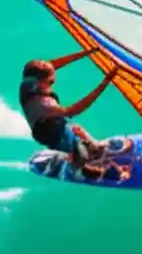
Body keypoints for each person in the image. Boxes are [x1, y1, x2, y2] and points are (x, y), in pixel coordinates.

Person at [19, 47, 116, 179]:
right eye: (52, 79)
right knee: (78, 147)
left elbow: (52, 66)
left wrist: (88, 52)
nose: (54, 78)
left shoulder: (31, 78)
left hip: (53, 121)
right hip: (49, 133)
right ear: (44, 83)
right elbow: (74, 110)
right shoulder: (44, 104)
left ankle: (93, 148)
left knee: (77, 131)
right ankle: (81, 166)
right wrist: (104, 83)